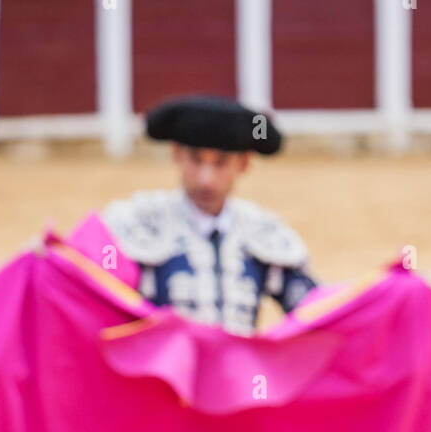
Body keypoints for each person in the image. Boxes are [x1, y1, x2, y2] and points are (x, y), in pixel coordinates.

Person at [99, 94, 318, 334]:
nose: (206, 179)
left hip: (239, 372)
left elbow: (315, 312)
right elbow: (94, 298)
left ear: (244, 163)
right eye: (196, 160)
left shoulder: (264, 232)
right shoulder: (135, 224)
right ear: (177, 154)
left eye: (220, 163)